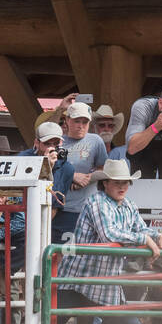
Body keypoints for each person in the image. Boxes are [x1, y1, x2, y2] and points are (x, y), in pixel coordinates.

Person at [54, 160, 162, 324]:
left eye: (126, 182)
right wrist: (143, 239)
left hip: (103, 283)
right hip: (77, 280)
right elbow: (108, 233)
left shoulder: (128, 205)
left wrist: (158, 236)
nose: (122, 187)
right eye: (117, 182)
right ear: (105, 183)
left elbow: (141, 228)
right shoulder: (96, 202)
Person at [18, 122, 75, 245]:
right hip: (19, 218)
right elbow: (18, 195)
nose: (52, 148)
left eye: (56, 143)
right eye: (47, 144)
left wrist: (38, 231)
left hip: (45, 221)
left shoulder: (67, 168)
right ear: (37, 143)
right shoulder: (22, 159)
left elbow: (55, 206)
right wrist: (45, 167)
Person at [58, 101, 108, 240]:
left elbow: (103, 167)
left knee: (87, 253)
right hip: (63, 208)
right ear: (67, 120)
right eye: (76, 121)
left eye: (85, 122)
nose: (81, 126)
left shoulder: (96, 141)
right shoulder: (58, 142)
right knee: (64, 253)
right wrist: (71, 176)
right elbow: (48, 169)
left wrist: (87, 178)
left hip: (89, 207)